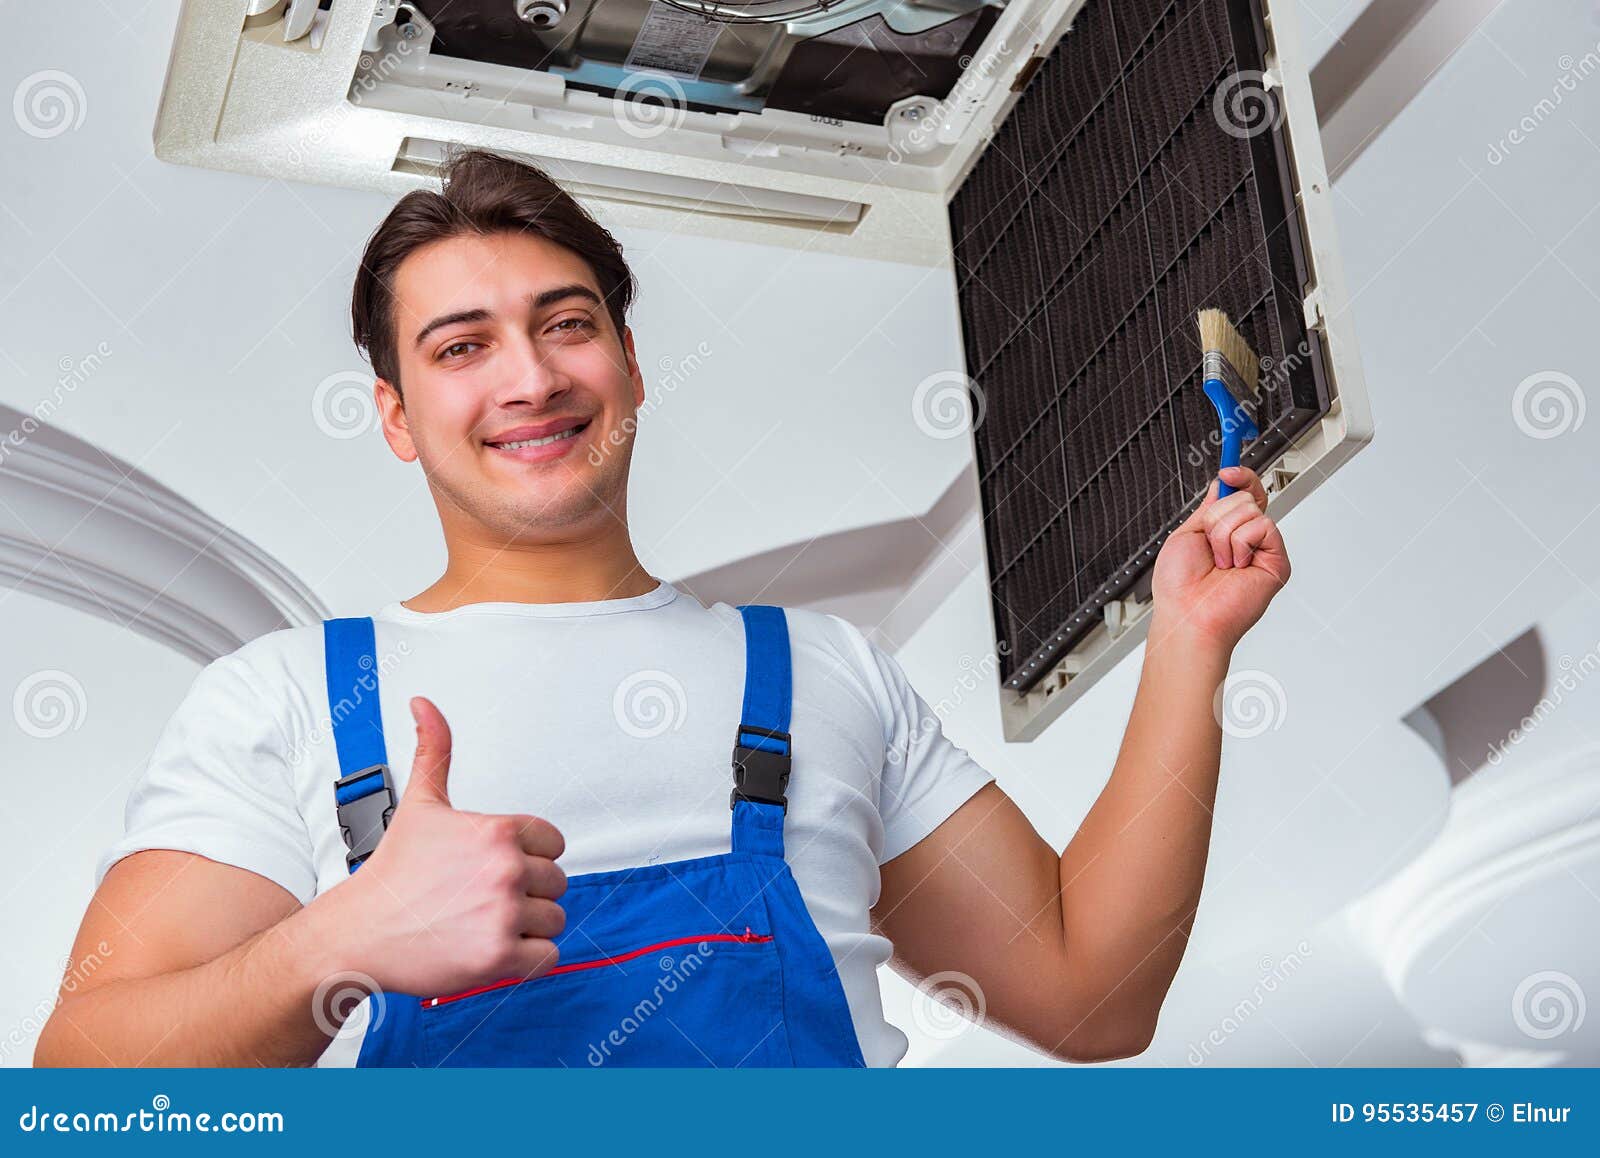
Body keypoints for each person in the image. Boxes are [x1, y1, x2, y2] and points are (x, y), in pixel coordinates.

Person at [36, 148, 1290, 1068]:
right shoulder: (289, 697)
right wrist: (335, 944)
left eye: (565, 324)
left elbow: (1091, 996)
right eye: (461, 346)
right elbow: (87, 1083)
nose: (530, 376)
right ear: (396, 418)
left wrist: (1188, 644)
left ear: (630, 367)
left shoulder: (826, 672)